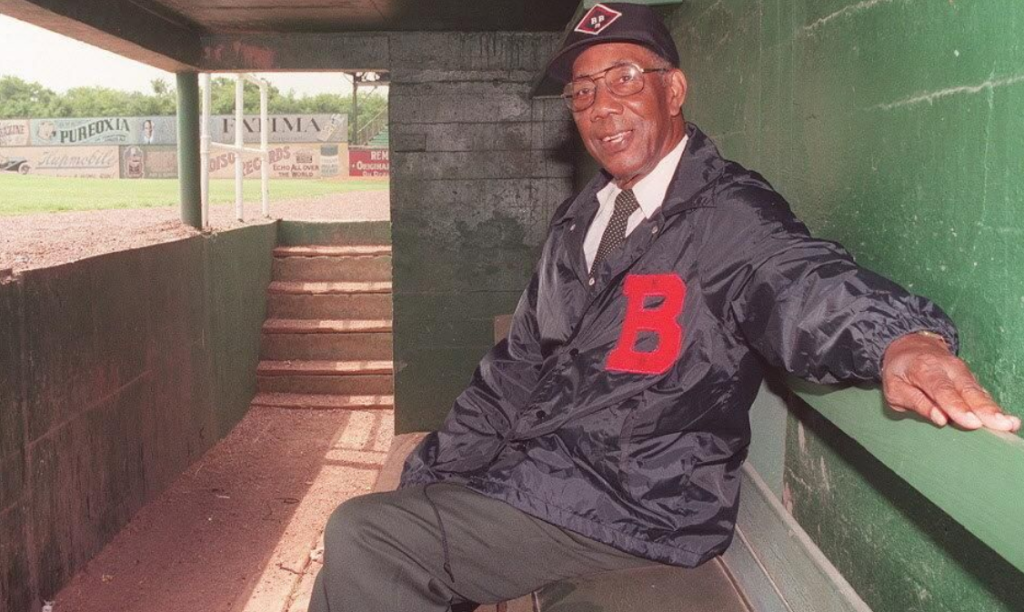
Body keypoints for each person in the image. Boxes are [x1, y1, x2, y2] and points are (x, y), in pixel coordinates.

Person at [309, 4, 1021, 611]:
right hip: (549, 485)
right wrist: (433, 475)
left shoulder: (728, 213)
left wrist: (901, 337)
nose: (599, 107)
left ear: (674, 89)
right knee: (387, 522)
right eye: (581, 93)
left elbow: (799, 279)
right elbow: (513, 371)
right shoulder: (582, 218)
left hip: (635, 507)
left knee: (363, 537)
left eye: (623, 79)